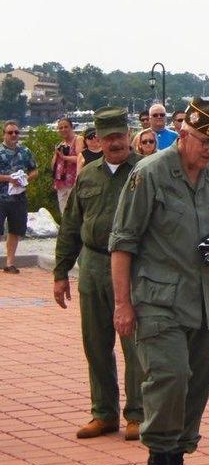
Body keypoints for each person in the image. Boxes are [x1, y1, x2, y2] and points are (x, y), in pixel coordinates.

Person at [109, 98, 209, 465]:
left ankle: (177, 464)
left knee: (197, 384)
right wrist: (122, 304)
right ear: (183, 134)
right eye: (203, 143)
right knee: (169, 378)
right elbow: (123, 243)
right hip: (158, 299)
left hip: (203, 301)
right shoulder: (149, 174)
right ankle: (157, 463)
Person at [52, 107, 144, 441]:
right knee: (95, 343)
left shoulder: (145, 172)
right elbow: (71, 226)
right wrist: (60, 272)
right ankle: (103, 413)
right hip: (92, 265)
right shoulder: (88, 175)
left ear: (129, 136)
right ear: (97, 141)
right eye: (108, 138)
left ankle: (137, 414)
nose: (115, 143)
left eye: (120, 136)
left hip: (132, 267)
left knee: (135, 344)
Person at [0, 120, 38, 273]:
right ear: (4, 134)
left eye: (16, 132)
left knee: (15, 230)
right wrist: (9, 179)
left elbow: (35, 170)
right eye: (10, 132)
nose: (14, 135)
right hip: (1, 197)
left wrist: (25, 179)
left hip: (19, 198)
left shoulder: (25, 151)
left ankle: (10, 263)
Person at [53, 117, 83, 213]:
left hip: (73, 182)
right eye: (60, 128)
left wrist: (64, 157)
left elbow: (80, 158)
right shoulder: (61, 144)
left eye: (66, 127)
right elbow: (53, 165)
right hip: (61, 183)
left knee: (75, 212)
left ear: (71, 127)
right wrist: (56, 154)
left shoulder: (78, 139)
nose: (63, 130)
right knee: (64, 213)